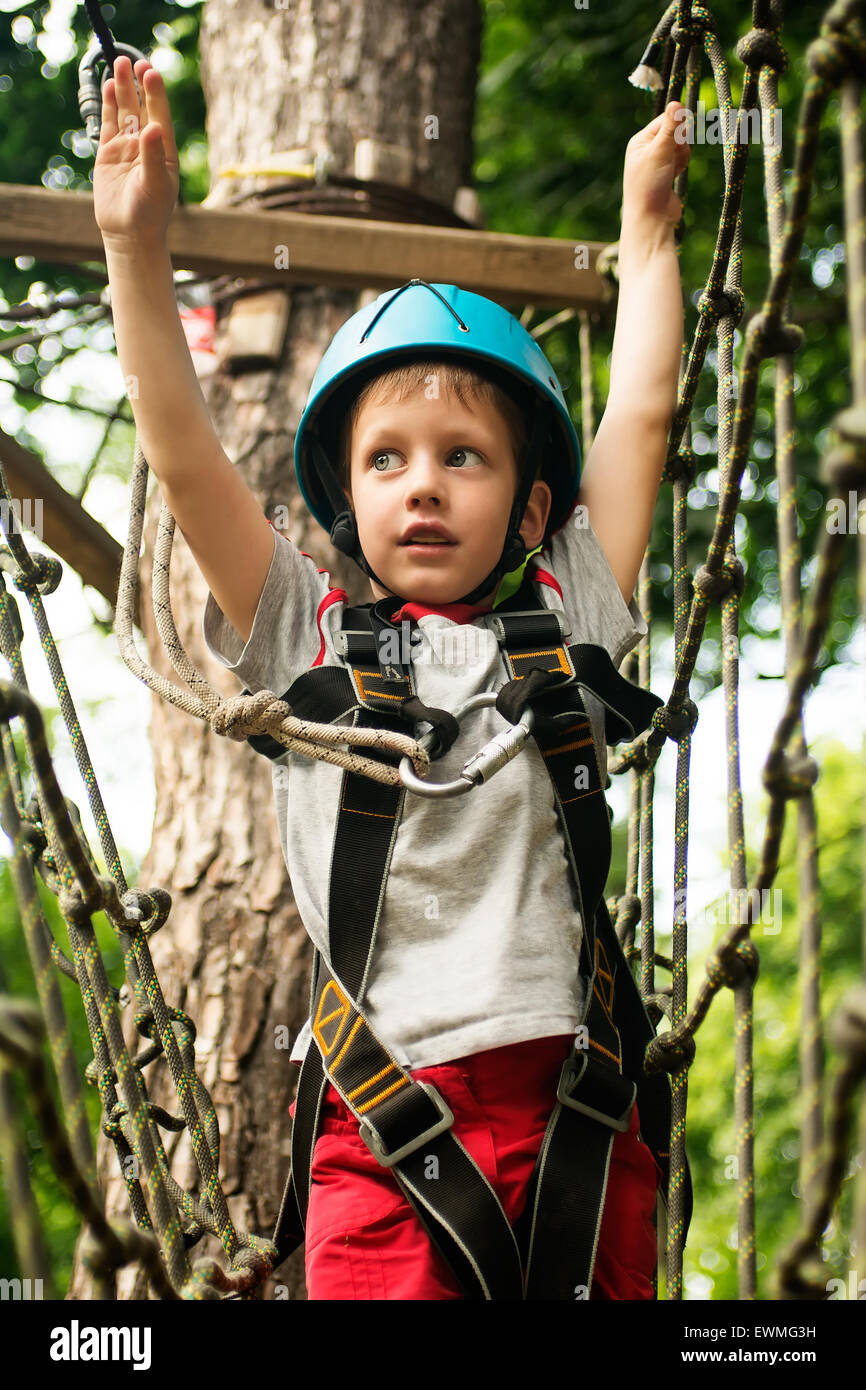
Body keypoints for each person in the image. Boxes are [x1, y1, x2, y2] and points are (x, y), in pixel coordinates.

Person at [94, 54, 690, 1300]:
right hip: (385, 1127)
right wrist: (134, 251)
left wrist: (644, 240)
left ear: (532, 507)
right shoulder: (308, 644)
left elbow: (637, 418)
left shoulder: (563, 612)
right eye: (387, 460)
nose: (421, 482)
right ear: (343, 501)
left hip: (573, 1108)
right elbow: (185, 454)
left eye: (461, 455)